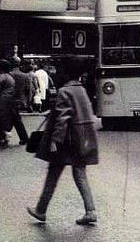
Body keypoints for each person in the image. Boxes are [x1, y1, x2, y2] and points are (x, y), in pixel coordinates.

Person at [26, 56, 100, 226]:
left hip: (67, 141)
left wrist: (54, 141)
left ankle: (41, 210)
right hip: (83, 138)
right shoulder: (81, 89)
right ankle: (90, 211)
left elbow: (62, 119)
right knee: (80, 174)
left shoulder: (64, 91)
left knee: (53, 173)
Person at [0, 58, 19, 147]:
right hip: (10, 101)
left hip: (1, 101)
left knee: (1, 120)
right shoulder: (10, 77)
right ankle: (4, 137)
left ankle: (3, 138)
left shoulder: (0, 77)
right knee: (5, 120)